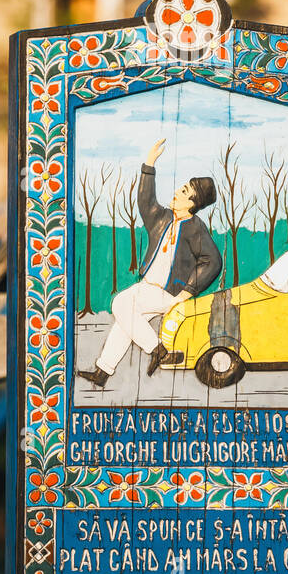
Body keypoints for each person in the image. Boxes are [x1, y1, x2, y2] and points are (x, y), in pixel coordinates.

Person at [77, 137, 221, 387]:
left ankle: (157, 350)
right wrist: (149, 164)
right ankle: (103, 372)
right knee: (126, 321)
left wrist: (187, 292)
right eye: (181, 188)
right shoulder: (162, 218)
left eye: (184, 192)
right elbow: (145, 201)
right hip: (147, 287)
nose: (177, 192)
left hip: (168, 293)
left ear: (193, 203)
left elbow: (213, 261)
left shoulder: (195, 228)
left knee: (120, 303)